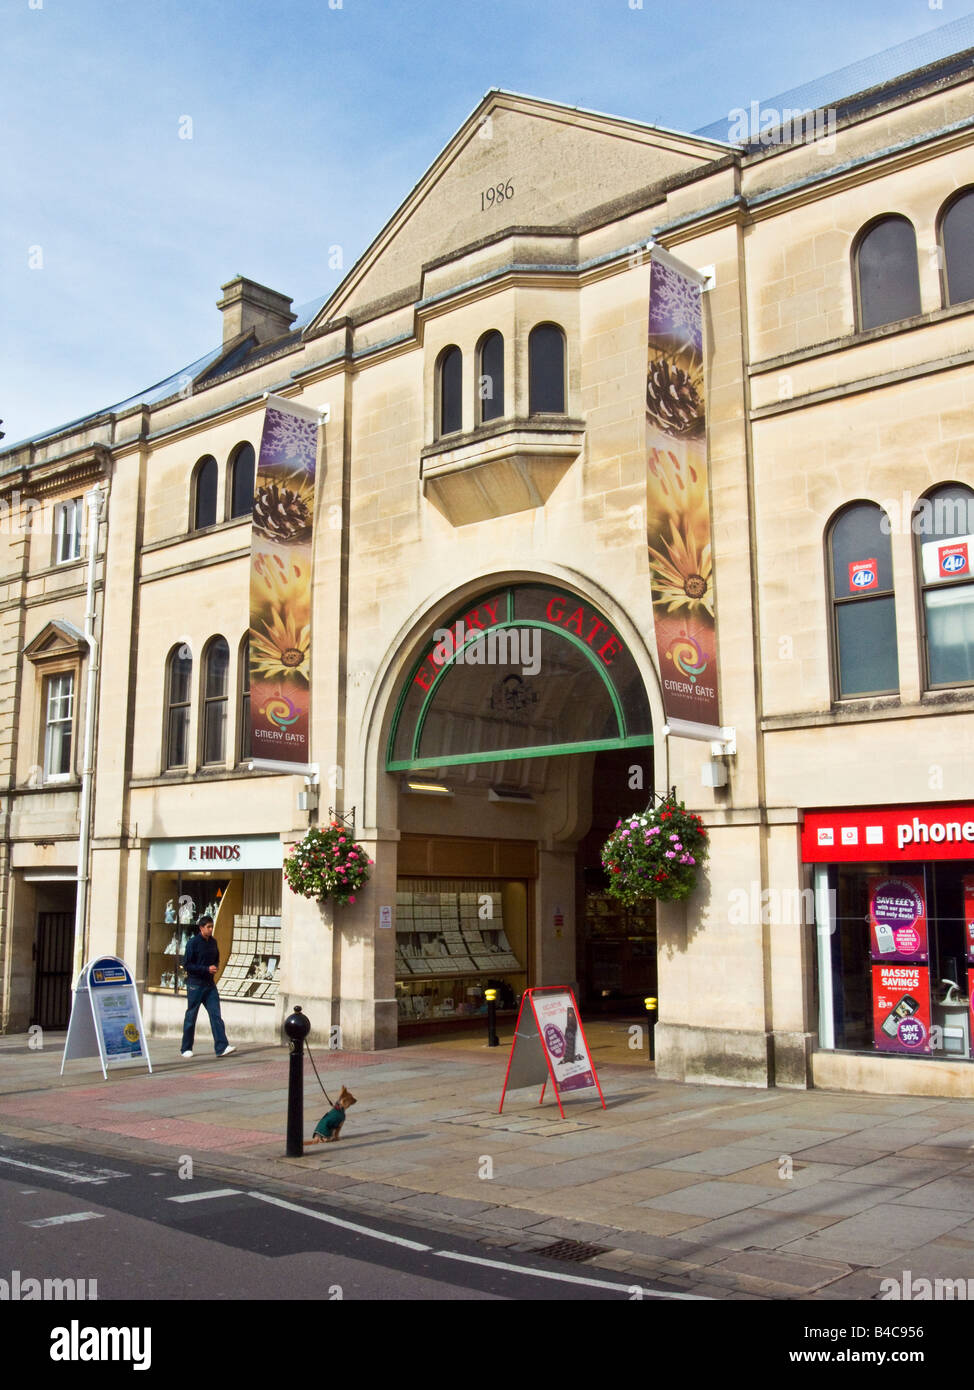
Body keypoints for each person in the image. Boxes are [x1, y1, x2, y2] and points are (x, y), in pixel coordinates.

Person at [180, 916, 235, 1058]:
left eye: (212, 926)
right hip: (195, 984)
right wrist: (205, 969)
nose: (211, 929)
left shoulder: (213, 942)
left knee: (216, 1015)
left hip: (210, 985)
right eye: (208, 927)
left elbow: (216, 958)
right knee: (191, 1016)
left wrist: (215, 967)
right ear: (201, 928)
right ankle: (186, 1048)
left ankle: (222, 1047)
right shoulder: (193, 943)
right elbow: (187, 964)